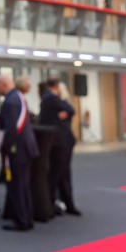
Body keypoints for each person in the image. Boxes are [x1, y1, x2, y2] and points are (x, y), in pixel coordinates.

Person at [0, 74, 37, 231]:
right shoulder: (18, 97)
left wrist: (4, 147)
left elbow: (12, 128)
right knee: (24, 186)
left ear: (3, 84)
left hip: (17, 149)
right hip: (26, 147)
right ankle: (27, 217)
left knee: (17, 186)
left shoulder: (10, 101)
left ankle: (22, 220)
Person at [50, 80, 80, 215]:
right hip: (63, 142)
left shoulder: (62, 104)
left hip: (64, 142)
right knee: (62, 174)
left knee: (62, 174)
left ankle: (65, 202)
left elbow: (71, 111)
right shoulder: (57, 104)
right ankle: (64, 202)